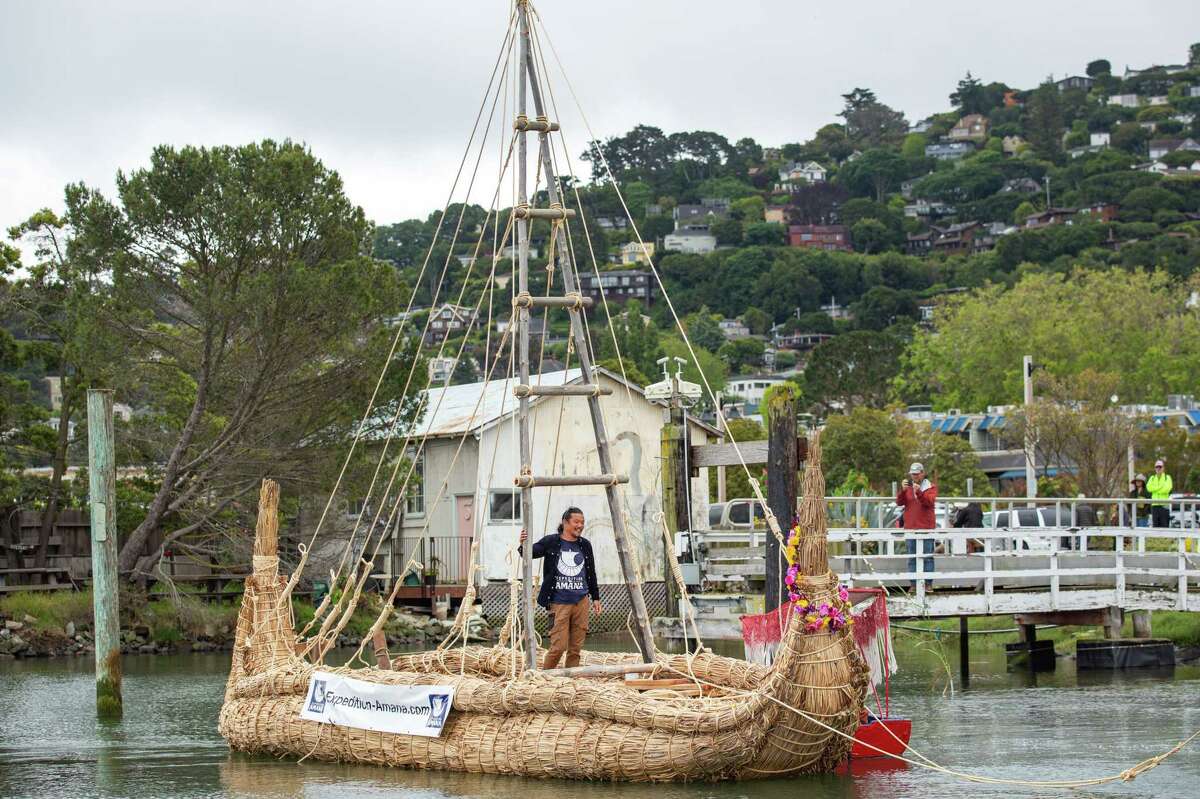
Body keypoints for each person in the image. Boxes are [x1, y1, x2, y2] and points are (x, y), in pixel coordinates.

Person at [518, 506, 602, 669]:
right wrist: (523, 543)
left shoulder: (585, 545)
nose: (580, 525)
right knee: (558, 646)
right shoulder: (551, 541)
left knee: (576, 648)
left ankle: (571, 678)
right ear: (565, 522)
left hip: (581, 601)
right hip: (559, 602)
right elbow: (528, 553)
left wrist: (596, 597)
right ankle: (543, 677)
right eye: (576, 522)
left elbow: (591, 572)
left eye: (582, 522)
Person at [897, 462, 937, 590]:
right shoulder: (908, 488)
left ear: (922, 473)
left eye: (916, 474)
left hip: (926, 528)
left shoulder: (931, 487)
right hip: (911, 528)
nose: (914, 476)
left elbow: (929, 502)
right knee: (912, 558)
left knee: (927, 557)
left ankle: (928, 584)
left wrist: (918, 491)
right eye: (912, 474)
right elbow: (899, 502)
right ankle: (913, 585)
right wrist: (903, 491)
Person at [1147, 459, 1174, 529]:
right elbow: (1149, 488)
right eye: (1157, 467)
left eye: (1160, 467)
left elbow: (1167, 489)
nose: (1158, 468)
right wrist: (1161, 487)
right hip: (1154, 505)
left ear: (1163, 468)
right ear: (1155, 468)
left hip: (1164, 505)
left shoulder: (1167, 477)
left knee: (1165, 526)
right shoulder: (1152, 478)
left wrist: (1155, 489)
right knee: (1155, 527)